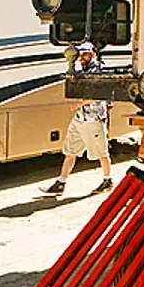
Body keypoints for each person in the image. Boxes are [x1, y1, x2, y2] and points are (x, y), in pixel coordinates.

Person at [41, 42, 113, 195]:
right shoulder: (84, 70)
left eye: (84, 55)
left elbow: (99, 96)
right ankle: (61, 182)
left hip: (93, 119)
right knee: (70, 151)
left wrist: (79, 104)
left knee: (101, 152)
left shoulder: (97, 71)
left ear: (92, 55)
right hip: (80, 119)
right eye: (80, 55)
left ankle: (108, 180)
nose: (81, 58)